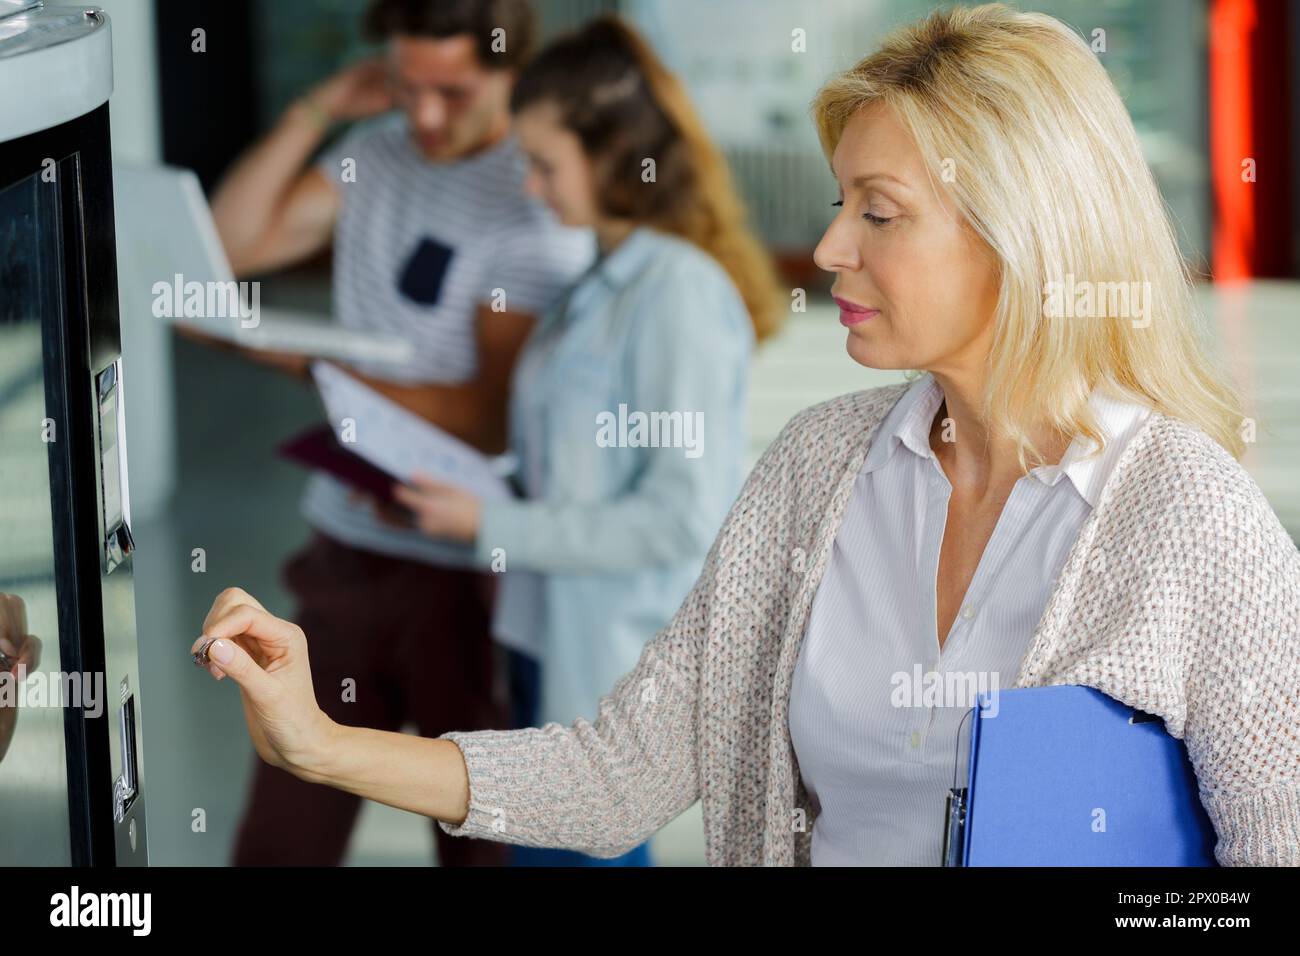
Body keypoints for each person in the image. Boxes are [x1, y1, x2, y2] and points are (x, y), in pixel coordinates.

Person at [190, 4, 1300, 866]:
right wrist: (319, 742)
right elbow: (621, 769)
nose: (825, 250)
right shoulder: (819, 466)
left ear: (1020, 230)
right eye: (837, 204)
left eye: (877, 211)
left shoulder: (1186, 515)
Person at [382, 15, 784, 866]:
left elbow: (678, 519)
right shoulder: (596, 282)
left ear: (613, 156)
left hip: (602, 672)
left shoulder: (676, 296)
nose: (529, 188)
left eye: (544, 163)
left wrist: (488, 528)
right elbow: (572, 472)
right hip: (540, 642)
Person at [205, 0, 593, 866]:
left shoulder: (536, 201)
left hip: (468, 573)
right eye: (404, 85)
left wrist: (315, 368)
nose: (422, 115)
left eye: (451, 91)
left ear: (509, 72)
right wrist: (317, 111)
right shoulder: (369, 154)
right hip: (344, 544)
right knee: (281, 836)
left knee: (479, 835)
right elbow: (224, 254)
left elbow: (488, 411)